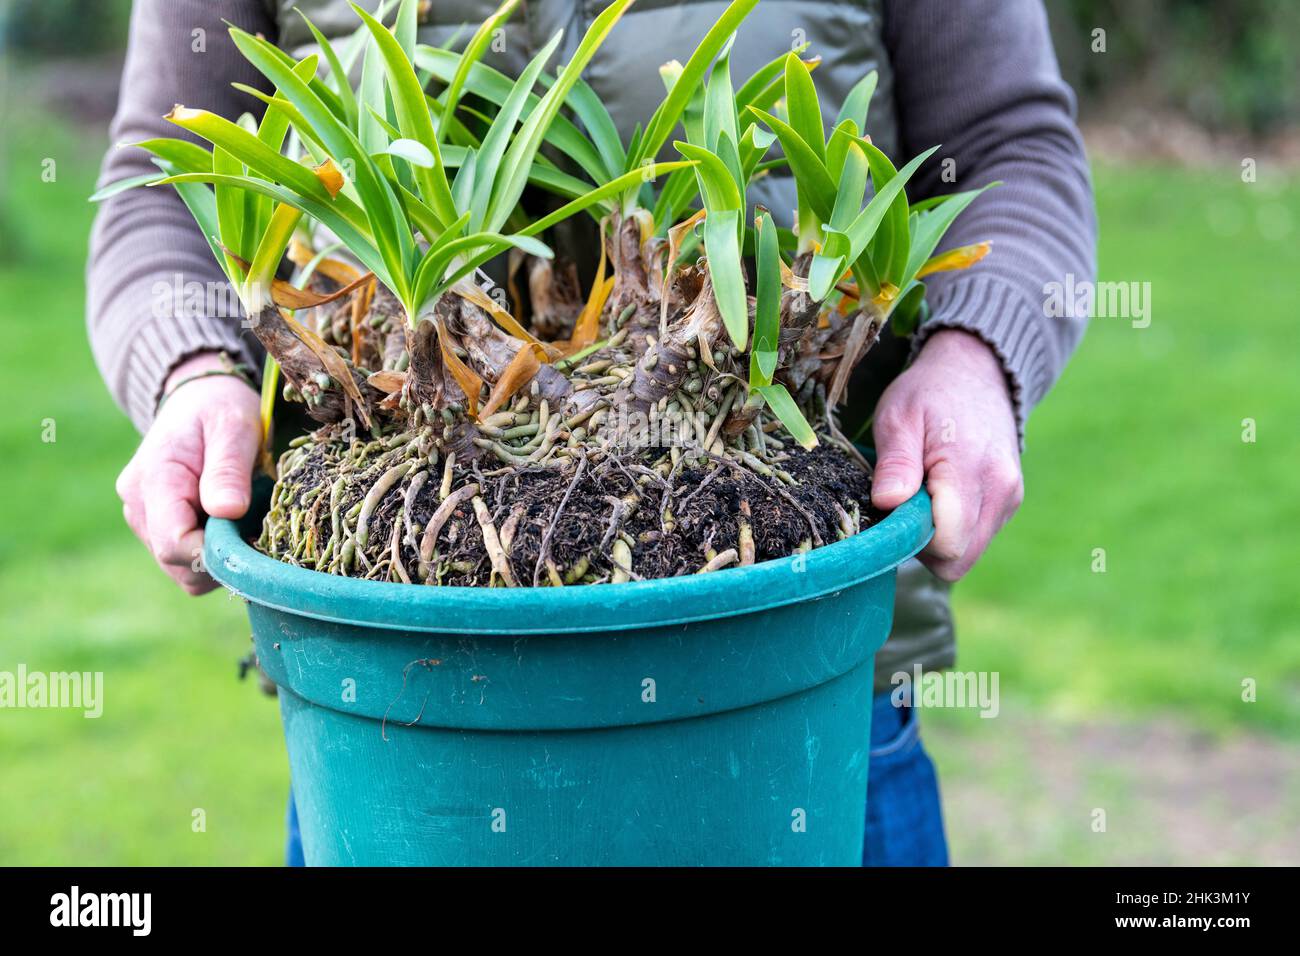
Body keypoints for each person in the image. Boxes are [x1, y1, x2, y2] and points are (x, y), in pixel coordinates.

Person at [89, 0, 1096, 867]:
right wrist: (190, 372)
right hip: (400, 725)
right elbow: (170, 171)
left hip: (806, 708)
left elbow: (1009, 141)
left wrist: (976, 353)